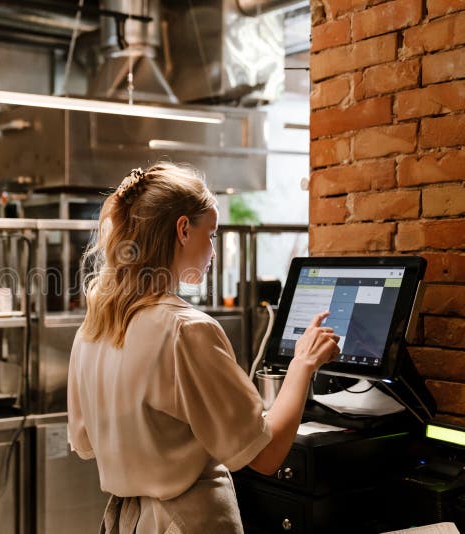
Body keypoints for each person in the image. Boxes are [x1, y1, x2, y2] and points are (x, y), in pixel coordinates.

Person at [67, 163, 341, 533]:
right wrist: (302, 365)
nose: (213, 250)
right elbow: (265, 455)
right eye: (210, 234)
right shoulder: (186, 329)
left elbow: (86, 444)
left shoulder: (94, 327)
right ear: (183, 229)